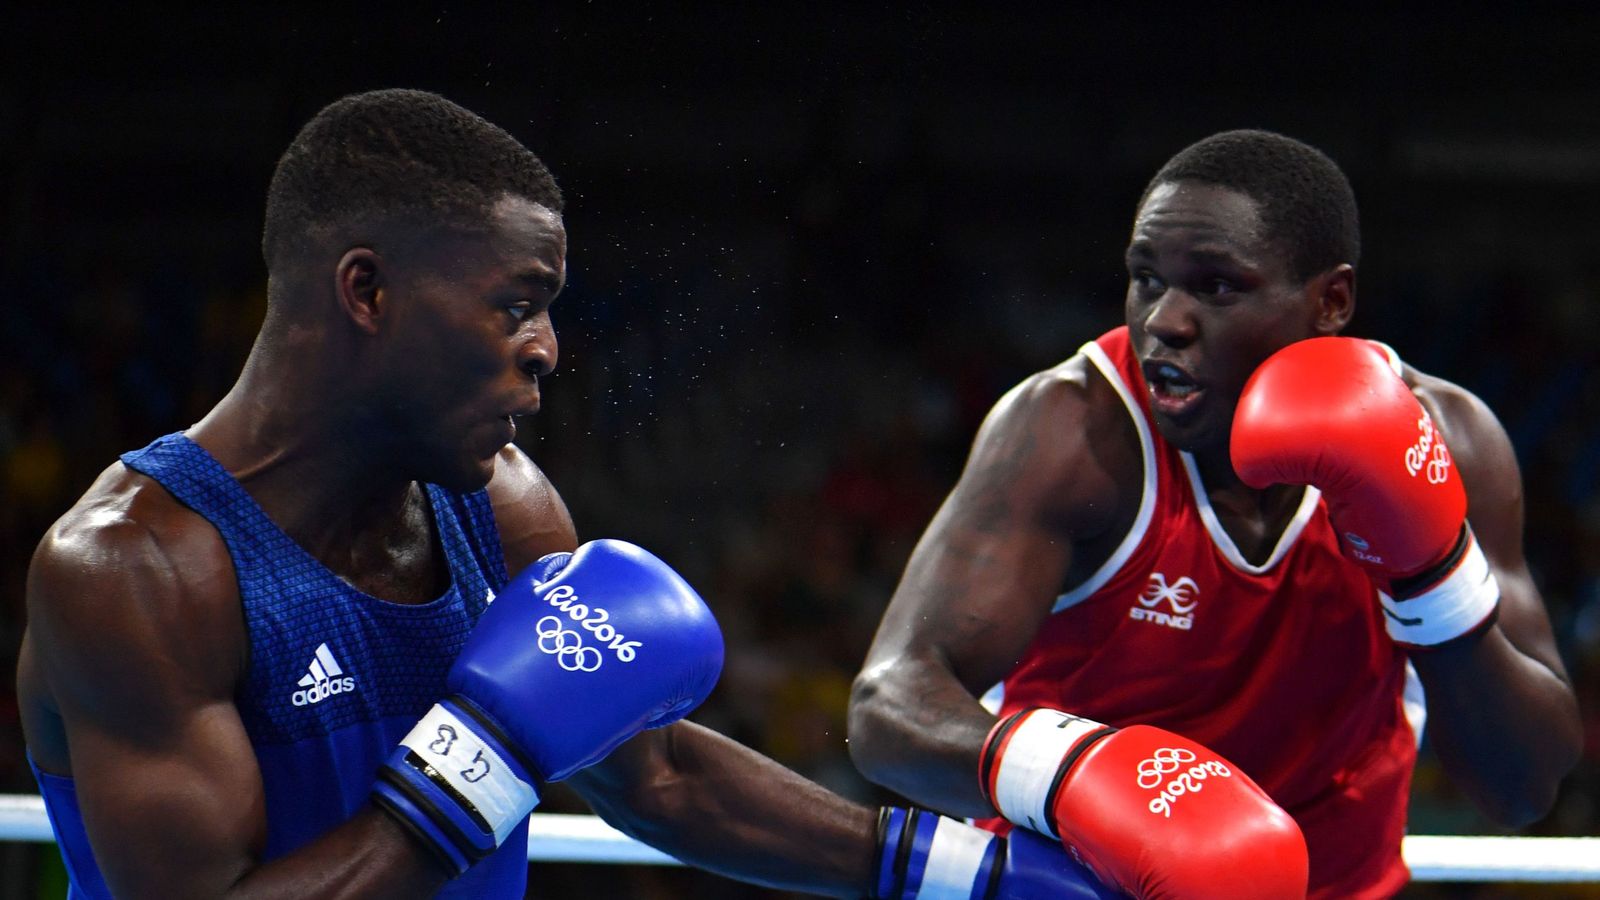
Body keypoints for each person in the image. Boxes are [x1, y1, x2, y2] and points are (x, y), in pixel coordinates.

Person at [14, 89, 1118, 899]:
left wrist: (951, 871)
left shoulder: (500, 506)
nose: (545, 348)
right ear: (367, 291)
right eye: (516, 305)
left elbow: (657, 776)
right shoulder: (137, 573)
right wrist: (474, 768)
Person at [848, 129, 1584, 899]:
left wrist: (1431, 577)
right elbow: (889, 706)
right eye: (1146, 278)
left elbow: (1522, 787)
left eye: (1218, 287)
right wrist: (1070, 777)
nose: (1164, 320)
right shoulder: (1075, 433)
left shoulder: (1446, 442)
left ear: (1331, 301)